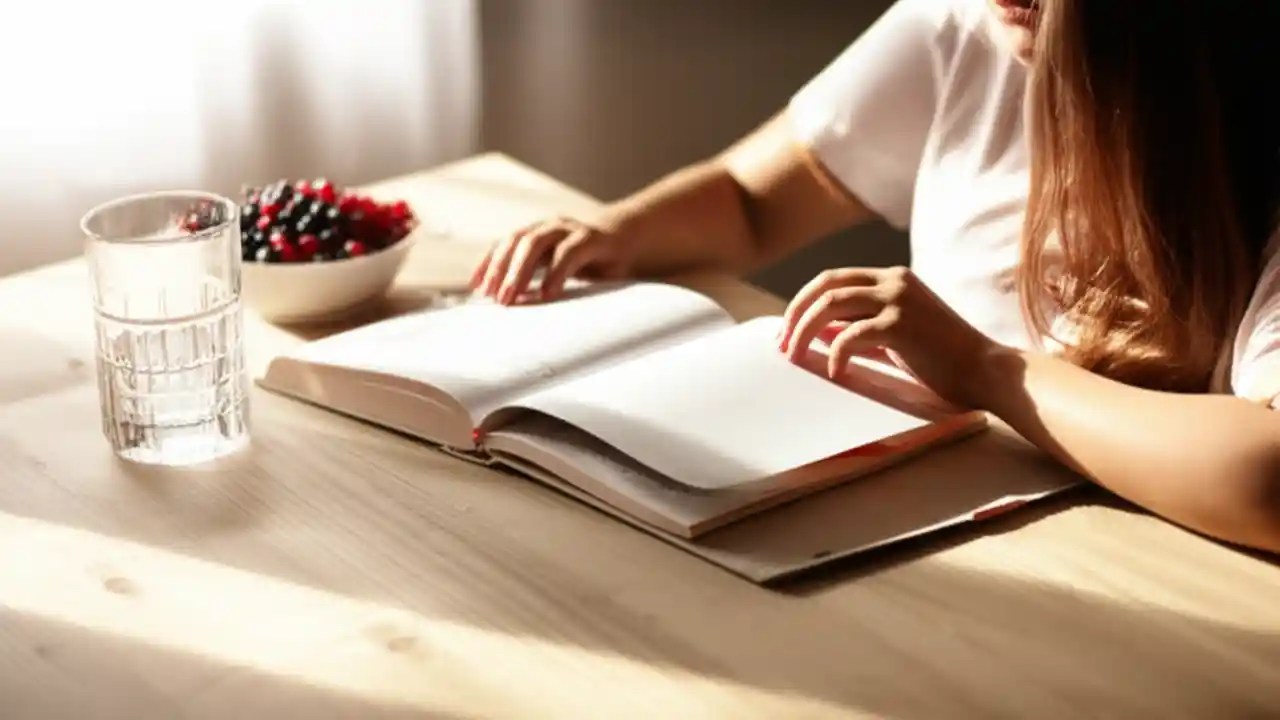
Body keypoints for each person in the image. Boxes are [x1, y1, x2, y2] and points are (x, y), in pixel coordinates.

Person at [469, 0, 1280, 553]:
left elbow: (1267, 479)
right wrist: (620, 230)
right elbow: (755, 201)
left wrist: (984, 369)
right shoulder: (978, 19)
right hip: (925, 526)